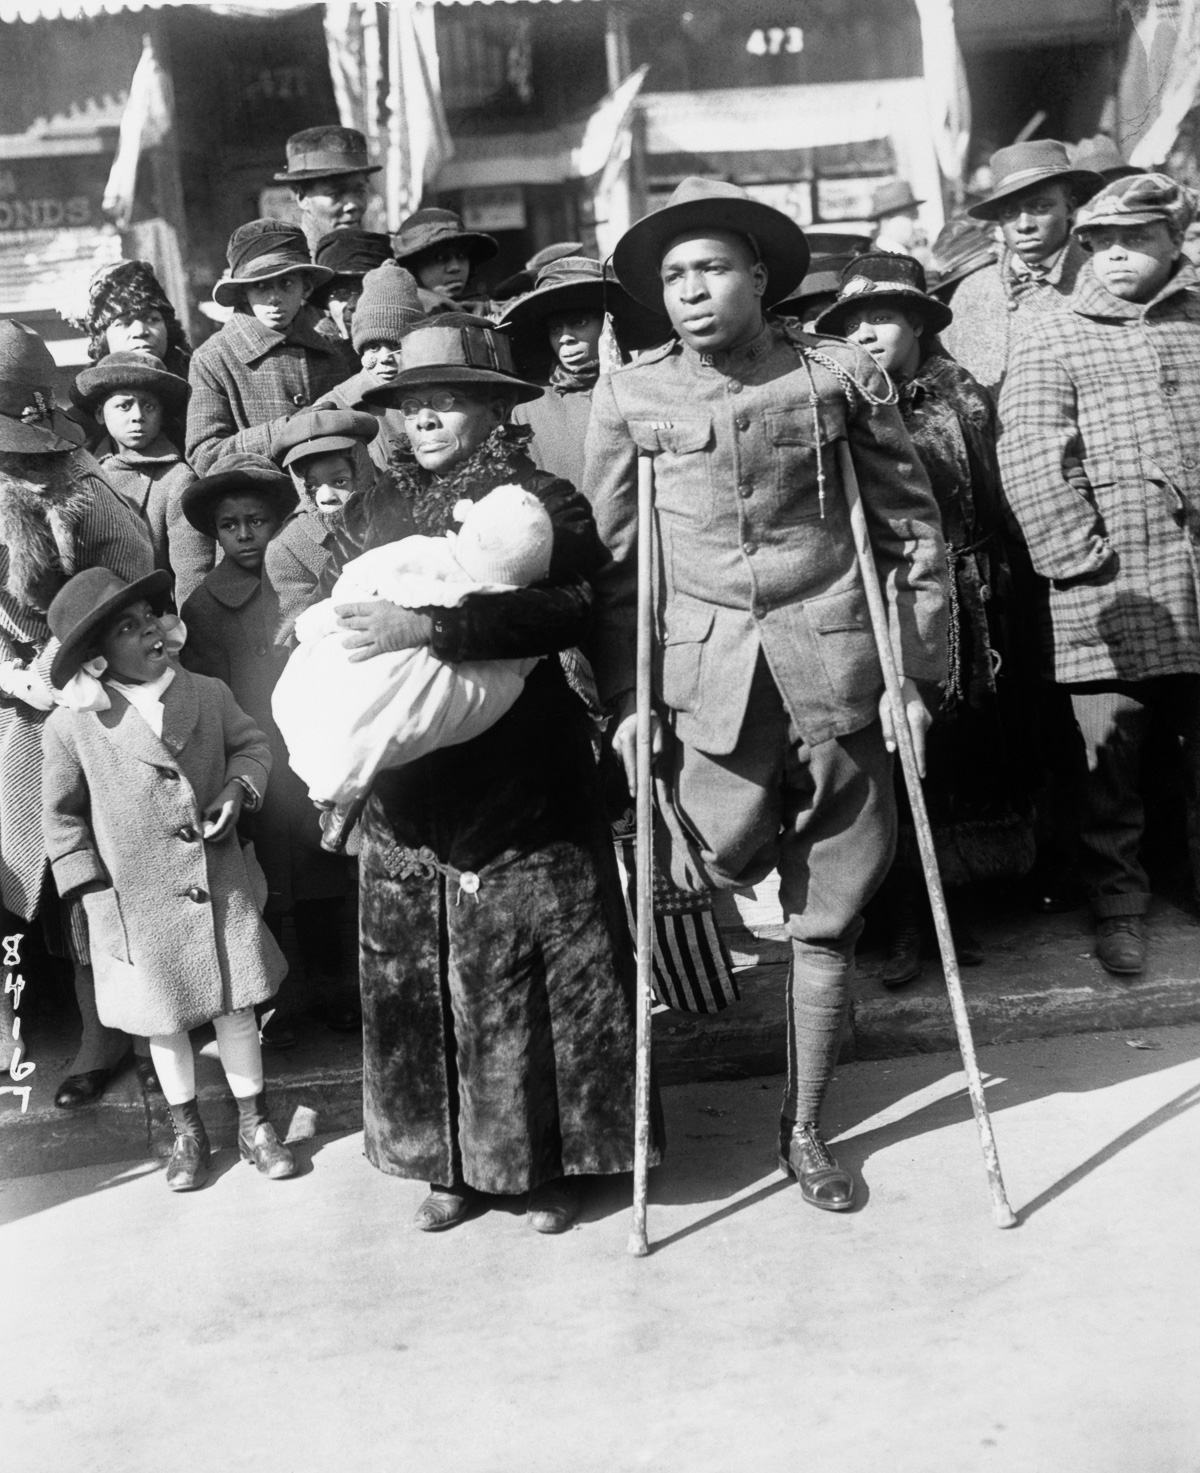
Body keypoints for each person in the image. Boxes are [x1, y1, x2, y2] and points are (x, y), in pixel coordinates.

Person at [584, 177, 948, 1213]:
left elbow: (912, 533)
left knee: (830, 908)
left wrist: (914, 677)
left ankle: (805, 1126)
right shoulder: (633, 396)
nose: (691, 291)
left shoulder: (836, 378)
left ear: (759, 279)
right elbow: (618, 570)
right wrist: (626, 698)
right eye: (673, 277)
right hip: (702, 689)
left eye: (711, 269)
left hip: (837, 670)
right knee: (711, 878)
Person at [322, 311, 661, 1233]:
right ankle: (451, 1163)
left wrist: (433, 629)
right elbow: (344, 599)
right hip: (409, 769)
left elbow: (571, 608)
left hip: (522, 765)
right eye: (414, 405)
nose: (426, 420)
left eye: (449, 403)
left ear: (491, 410)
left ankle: (549, 1163)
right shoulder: (375, 504)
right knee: (421, 964)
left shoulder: (546, 499)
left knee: (533, 965)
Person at [998, 173, 1200, 976]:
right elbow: (1032, 453)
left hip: (1195, 577)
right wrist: (1079, 558)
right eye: (1102, 243)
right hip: (1108, 579)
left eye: (1137, 240)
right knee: (1107, 760)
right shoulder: (1054, 327)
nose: (1117, 257)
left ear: (1172, 243)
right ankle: (1119, 904)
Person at [816, 252, 1033, 984]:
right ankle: (905, 918)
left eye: (882, 317)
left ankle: (959, 911)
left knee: (962, 749)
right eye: (853, 322)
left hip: (969, 591)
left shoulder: (957, 395)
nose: (868, 333)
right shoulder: (843, 400)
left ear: (916, 322)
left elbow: (994, 496)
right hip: (888, 595)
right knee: (897, 749)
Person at [42, 567, 296, 1191]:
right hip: (134, 901)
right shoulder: (73, 727)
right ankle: (186, 1132)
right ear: (98, 660)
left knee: (238, 1009)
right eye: (127, 629)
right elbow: (62, 821)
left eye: (150, 617)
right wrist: (94, 894)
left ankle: (254, 1123)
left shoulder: (205, 693)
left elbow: (253, 747)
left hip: (220, 886)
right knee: (164, 1019)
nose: (151, 632)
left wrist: (239, 789)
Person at [0, 320, 156, 1109]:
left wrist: (78, 660)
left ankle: (117, 1022)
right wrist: (10, 671)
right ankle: (38, 1017)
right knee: (31, 856)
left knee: (98, 856)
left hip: (97, 687)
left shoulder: (87, 490)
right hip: (13, 704)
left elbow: (139, 590)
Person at [273, 483, 552, 843]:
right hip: (381, 652)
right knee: (376, 711)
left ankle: (340, 788)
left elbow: (357, 581)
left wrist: (315, 624)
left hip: (434, 679)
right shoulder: (388, 497)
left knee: (379, 720)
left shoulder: (427, 554)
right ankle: (343, 787)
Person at [186, 220, 356, 475]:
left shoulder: (335, 352)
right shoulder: (213, 359)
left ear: (306, 287)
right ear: (243, 292)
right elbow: (204, 455)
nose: (275, 298)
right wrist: (285, 431)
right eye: (261, 285)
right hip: (263, 505)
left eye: (286, 283)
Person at [941, 140, 1104, 395]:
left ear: (1069, 208)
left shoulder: (1099, 281)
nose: (1024, 225)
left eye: (1040, 207)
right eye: (1009, 212)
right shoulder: (972, 291)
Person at [503, 255, 670, 490]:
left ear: (609, 323)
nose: (565, 338)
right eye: (554, 328)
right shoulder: (529, 408)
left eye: (579, 323)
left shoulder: (648, 391)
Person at [267, 407, 387, 644]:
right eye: (311, 486)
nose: (326, 496)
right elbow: (288, 641)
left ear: (362, 469)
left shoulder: (397, 507)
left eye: (339, 481)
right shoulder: (288, 547)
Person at [72, 351, 196, 580]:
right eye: (124, 406)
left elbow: (191, 571)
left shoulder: (176, 478)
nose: (138, 416)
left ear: (163, 415)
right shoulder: (82, 473)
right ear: (100, 414)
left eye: (149, 406)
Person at [320, 260, 425, 473]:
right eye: (374, 347)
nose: (385, 357)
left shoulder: (436, 395)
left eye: (396, 345)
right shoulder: (336, 407)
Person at [276, 125, 382, 252]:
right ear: (302, 198)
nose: (352, 205)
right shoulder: (289, 265)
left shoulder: (381, 256)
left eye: (360, 191)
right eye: (335, 194)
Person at [392, 208, 499, 315]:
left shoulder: (486, 309)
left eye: (461, 256)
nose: (455, 267)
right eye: (440, 258)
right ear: (414, 266)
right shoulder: (396, 314)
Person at [309, 228, 393, 341]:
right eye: (341, 293)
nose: (352, 305)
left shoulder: (416, 346)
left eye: (365, 292)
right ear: (326, 301)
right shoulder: (310, 353)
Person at [868, 179, 930, 264]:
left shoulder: (905, 256)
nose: (916, 225)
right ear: (886, 221)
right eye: (910, 217)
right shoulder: (878, 261)